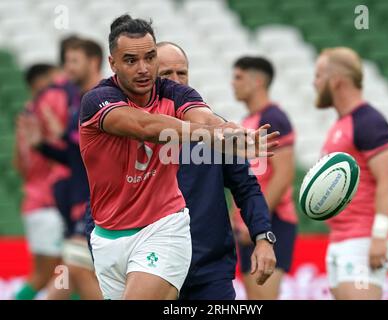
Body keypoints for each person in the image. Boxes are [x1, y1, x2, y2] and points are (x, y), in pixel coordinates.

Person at [79, 14, 278, 300]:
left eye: (150, 59)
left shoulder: (179, 98)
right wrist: (213, 134)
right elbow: (145, 127)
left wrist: (227, 131)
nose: (144, 69)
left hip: (186, 249)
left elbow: (212, 126)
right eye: (132, 61)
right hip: (112, 241)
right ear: (113, 64)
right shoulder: (97, 101)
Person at [156, 42, 276, 300]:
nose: (177, 81)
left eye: (182, 73)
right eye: (166, 74)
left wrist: (263, 237)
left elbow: (247, 188)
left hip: (210, 271)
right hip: (155, 269)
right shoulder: (136, 131)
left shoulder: (218, 133)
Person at [313, 47, 388, 300]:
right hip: (344, 236)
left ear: (337, 80)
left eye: (319, 76)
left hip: (364, 238)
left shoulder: (368, 121)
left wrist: (379, 236)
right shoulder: (342, 124)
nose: (314, 82)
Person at [22, 39, 104, 300]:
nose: (67, 68)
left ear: (93, 62)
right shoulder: (77, 104)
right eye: (66, 61)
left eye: (73, 61)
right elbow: (74, 158)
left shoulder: (106, 100)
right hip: (79, 198)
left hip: (100, 200)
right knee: (70, 272)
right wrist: (44, 146)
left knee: (75, 270)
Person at [232, 56, 298, 300]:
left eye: (238, 77)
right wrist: (236, 218)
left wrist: (256, 222)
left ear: (258, 81)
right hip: (250, 223)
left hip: (271, 220)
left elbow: (283, 174)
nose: (233, 83)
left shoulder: (274, 118)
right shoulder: (247, 121)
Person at [13, 64, 65, 300]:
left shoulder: (25, 115)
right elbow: (62, 148)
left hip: (34, 201)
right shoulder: (45, 111)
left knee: (67, 270)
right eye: (54, 80)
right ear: (40, 83)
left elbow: (19, 165)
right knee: (48, 273)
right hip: (48, 202)